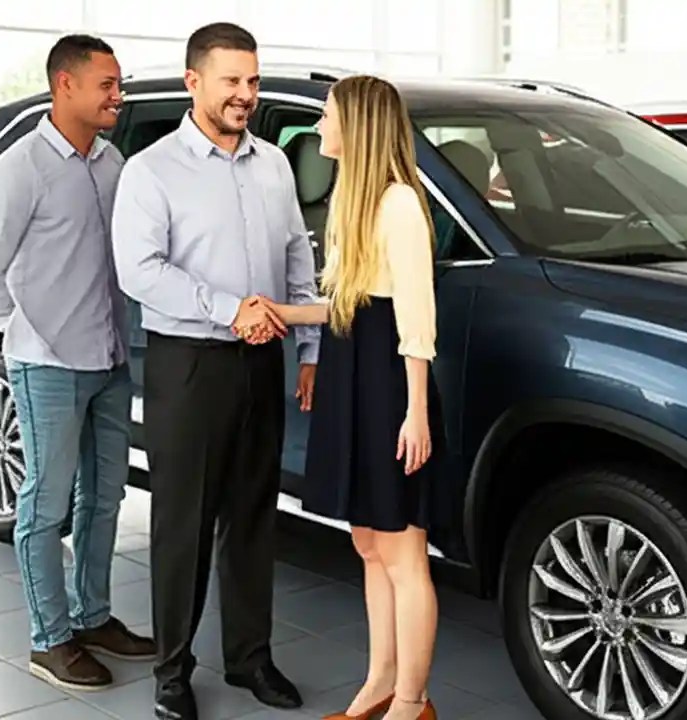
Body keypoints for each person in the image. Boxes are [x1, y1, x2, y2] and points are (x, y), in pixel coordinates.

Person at [109, 21, 319, 720]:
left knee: (254, 519)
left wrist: (308, 349)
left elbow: (296, 255)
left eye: (253, 80)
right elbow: (140, 273)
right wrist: (230, 309)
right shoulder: (152, 170)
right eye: (232, 81)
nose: (246, 95)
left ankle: (250, 660)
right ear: (193, 81)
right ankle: (172, 671)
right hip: (190, 366)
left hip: (263, 361)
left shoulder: (274, 164)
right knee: (184, 525)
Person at [0, 34, 155, 691]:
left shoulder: (111, 163)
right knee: (45, 507)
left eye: (118, 83)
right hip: (46, 364)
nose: (117, 96)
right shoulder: (18, 170)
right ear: (65, 86)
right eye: (106, 84)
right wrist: (31, 336)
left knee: (105, 497)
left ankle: (93, 617)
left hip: (108, 359)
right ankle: (50, 640)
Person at [257, 74, 442, 720]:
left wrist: (416, 413)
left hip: (390, 386)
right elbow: (345, 306)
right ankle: (381, 680)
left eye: (329, 117)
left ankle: (413, 702)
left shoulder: (399, 206)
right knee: (367, 541)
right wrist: (282, 311)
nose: (319, 130)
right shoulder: (350, 201)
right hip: (350, 373)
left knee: (402, 548)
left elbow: (415, 322)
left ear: (357, 127)